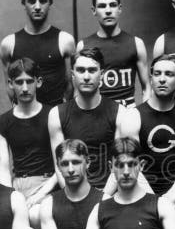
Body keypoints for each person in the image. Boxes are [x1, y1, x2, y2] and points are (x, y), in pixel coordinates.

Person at [115, 54, 175, 197]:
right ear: (151, 79)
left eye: (169, 74)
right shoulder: (132, 116)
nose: (162, 79)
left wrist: (171, 197)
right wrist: (152, 199)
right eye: (157, 74)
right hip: (139, 194)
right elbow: (130, 164)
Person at [48, 46, 122, 191]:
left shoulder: (120, 113)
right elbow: (59, 165)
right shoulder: (56, 114)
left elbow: (119, 165)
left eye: (92, 70)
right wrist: (74, 196)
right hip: (72, 193)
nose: (86, 76)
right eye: (81, 70)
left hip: (108, 194)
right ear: (72, 74)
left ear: (101, 74)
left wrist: (103, 199)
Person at [0, 58, 57, 225]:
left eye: (29, 81)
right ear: (10, 84)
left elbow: (60, 166)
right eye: (19, 82)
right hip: (18, 187)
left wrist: (40, 195)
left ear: (39, 82)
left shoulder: (53, 115)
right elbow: (4, 169)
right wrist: (10, 195)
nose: (25, 88)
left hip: (48, 184)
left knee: (35, 216)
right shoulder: (2, 123)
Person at [0, 0, 76, 106]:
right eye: (31, 1)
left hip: (56, 115)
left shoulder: (65, 40)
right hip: (26, 118)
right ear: (24, 3)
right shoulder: (8, 44)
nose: (38, 7)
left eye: (43, 1)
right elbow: (10, 87)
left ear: (50, 2)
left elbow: (70, 85)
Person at [76, 0, 150, 107]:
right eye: (102, 6)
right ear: (94, 10)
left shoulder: (136, 43)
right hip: (97, 113)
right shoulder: (83, 46)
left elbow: (147, 88)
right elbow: (78, 92)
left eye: (112, 5)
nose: (108, 10)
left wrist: (143, 116)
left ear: (119, 9)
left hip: (128, 111)